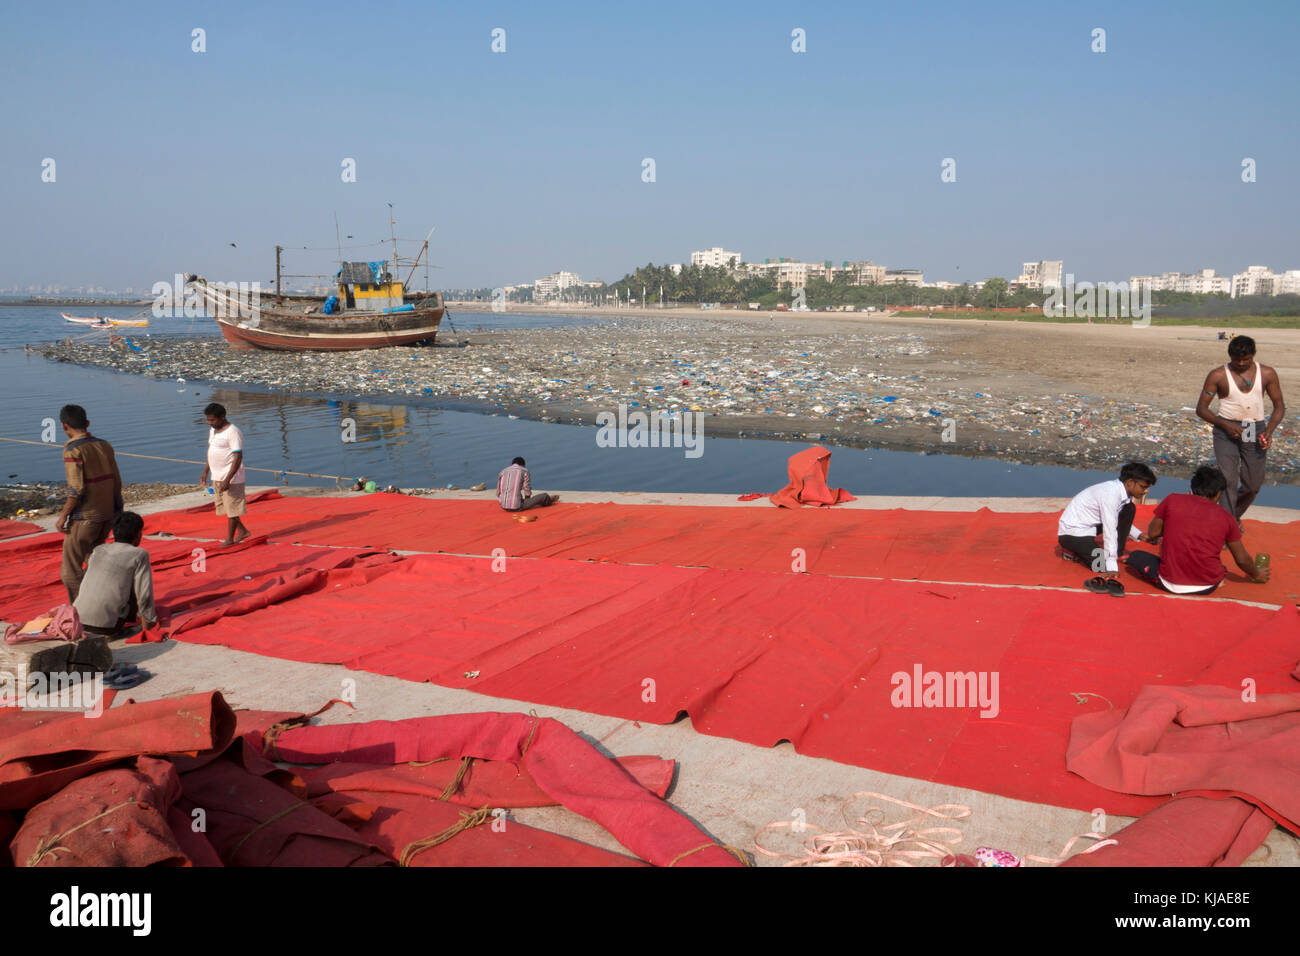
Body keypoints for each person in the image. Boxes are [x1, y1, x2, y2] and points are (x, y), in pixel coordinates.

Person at [1125, 465, 1269, 594]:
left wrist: (1174, 521)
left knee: (1136, 556)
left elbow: (1153, 532)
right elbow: (1242, 559)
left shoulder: (1173, 500)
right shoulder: (1227, 517)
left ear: (1193, 487)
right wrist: (1257, 574)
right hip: (1207, 585)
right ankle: (1218, 578)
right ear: (1218, 494)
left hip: (1169, 582)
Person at [1196, 335, 1285, 522]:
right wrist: (1225, 424)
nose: (1242, 363)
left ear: (1253, 355)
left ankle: (1231, 517)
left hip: (1253, 427)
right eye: (1237, 360)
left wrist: (1268, 431)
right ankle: (1227, 526)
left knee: (1253, 484)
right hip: (1225, 429)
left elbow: (1279, 406)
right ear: (1230, 356)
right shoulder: (1218, 375)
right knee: (1228, 480)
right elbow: (1201, 409)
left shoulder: (1267, 373)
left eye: (1246, 359)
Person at [55, 404, 122, 602]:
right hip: (107, 513)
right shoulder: (104, 445)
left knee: (70, 570)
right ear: (87, 423)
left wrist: (63, 516)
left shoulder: (72, 450)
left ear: (65, 426)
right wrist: (118, 510)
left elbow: (76, 489)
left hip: (86, 516)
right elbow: (116, 482)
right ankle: (101, 606)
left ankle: (82, 610)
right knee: (94, 562)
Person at [1057, 462, 1157, 597]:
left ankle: (1118, 552)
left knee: (1129, 508)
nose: (1146, 491)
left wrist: (1139, 535)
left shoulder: (1122, 492)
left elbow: (1117, 519)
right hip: (1073, 533)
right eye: (1143, 487)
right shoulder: (1110, 494)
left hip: (1092, 524)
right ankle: (1071, 550)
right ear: (1129, 483)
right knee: (1100, 566)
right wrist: (1111, 566)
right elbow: (1110, 530)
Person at [74, 511, 160, 635]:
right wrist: (147, 625)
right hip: (106, 626)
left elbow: (85, 581)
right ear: (137, 535)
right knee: (134, 585)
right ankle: (122, 624)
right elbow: (144, 593)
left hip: (78, 621)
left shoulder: (98, 550)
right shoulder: (139, 554)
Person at [199, 402, 250, 546]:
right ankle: (243, 531)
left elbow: (238, 456)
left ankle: (229, 539)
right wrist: (205, 471)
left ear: (222, 417)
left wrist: (228, 479)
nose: (210, 423)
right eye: (208, 420)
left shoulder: (233, 432)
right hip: (216, 475)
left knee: (233, 508)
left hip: (231, 478)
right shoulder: (213, 430)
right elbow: (212, 451)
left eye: (212, 420)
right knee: (226, 507)